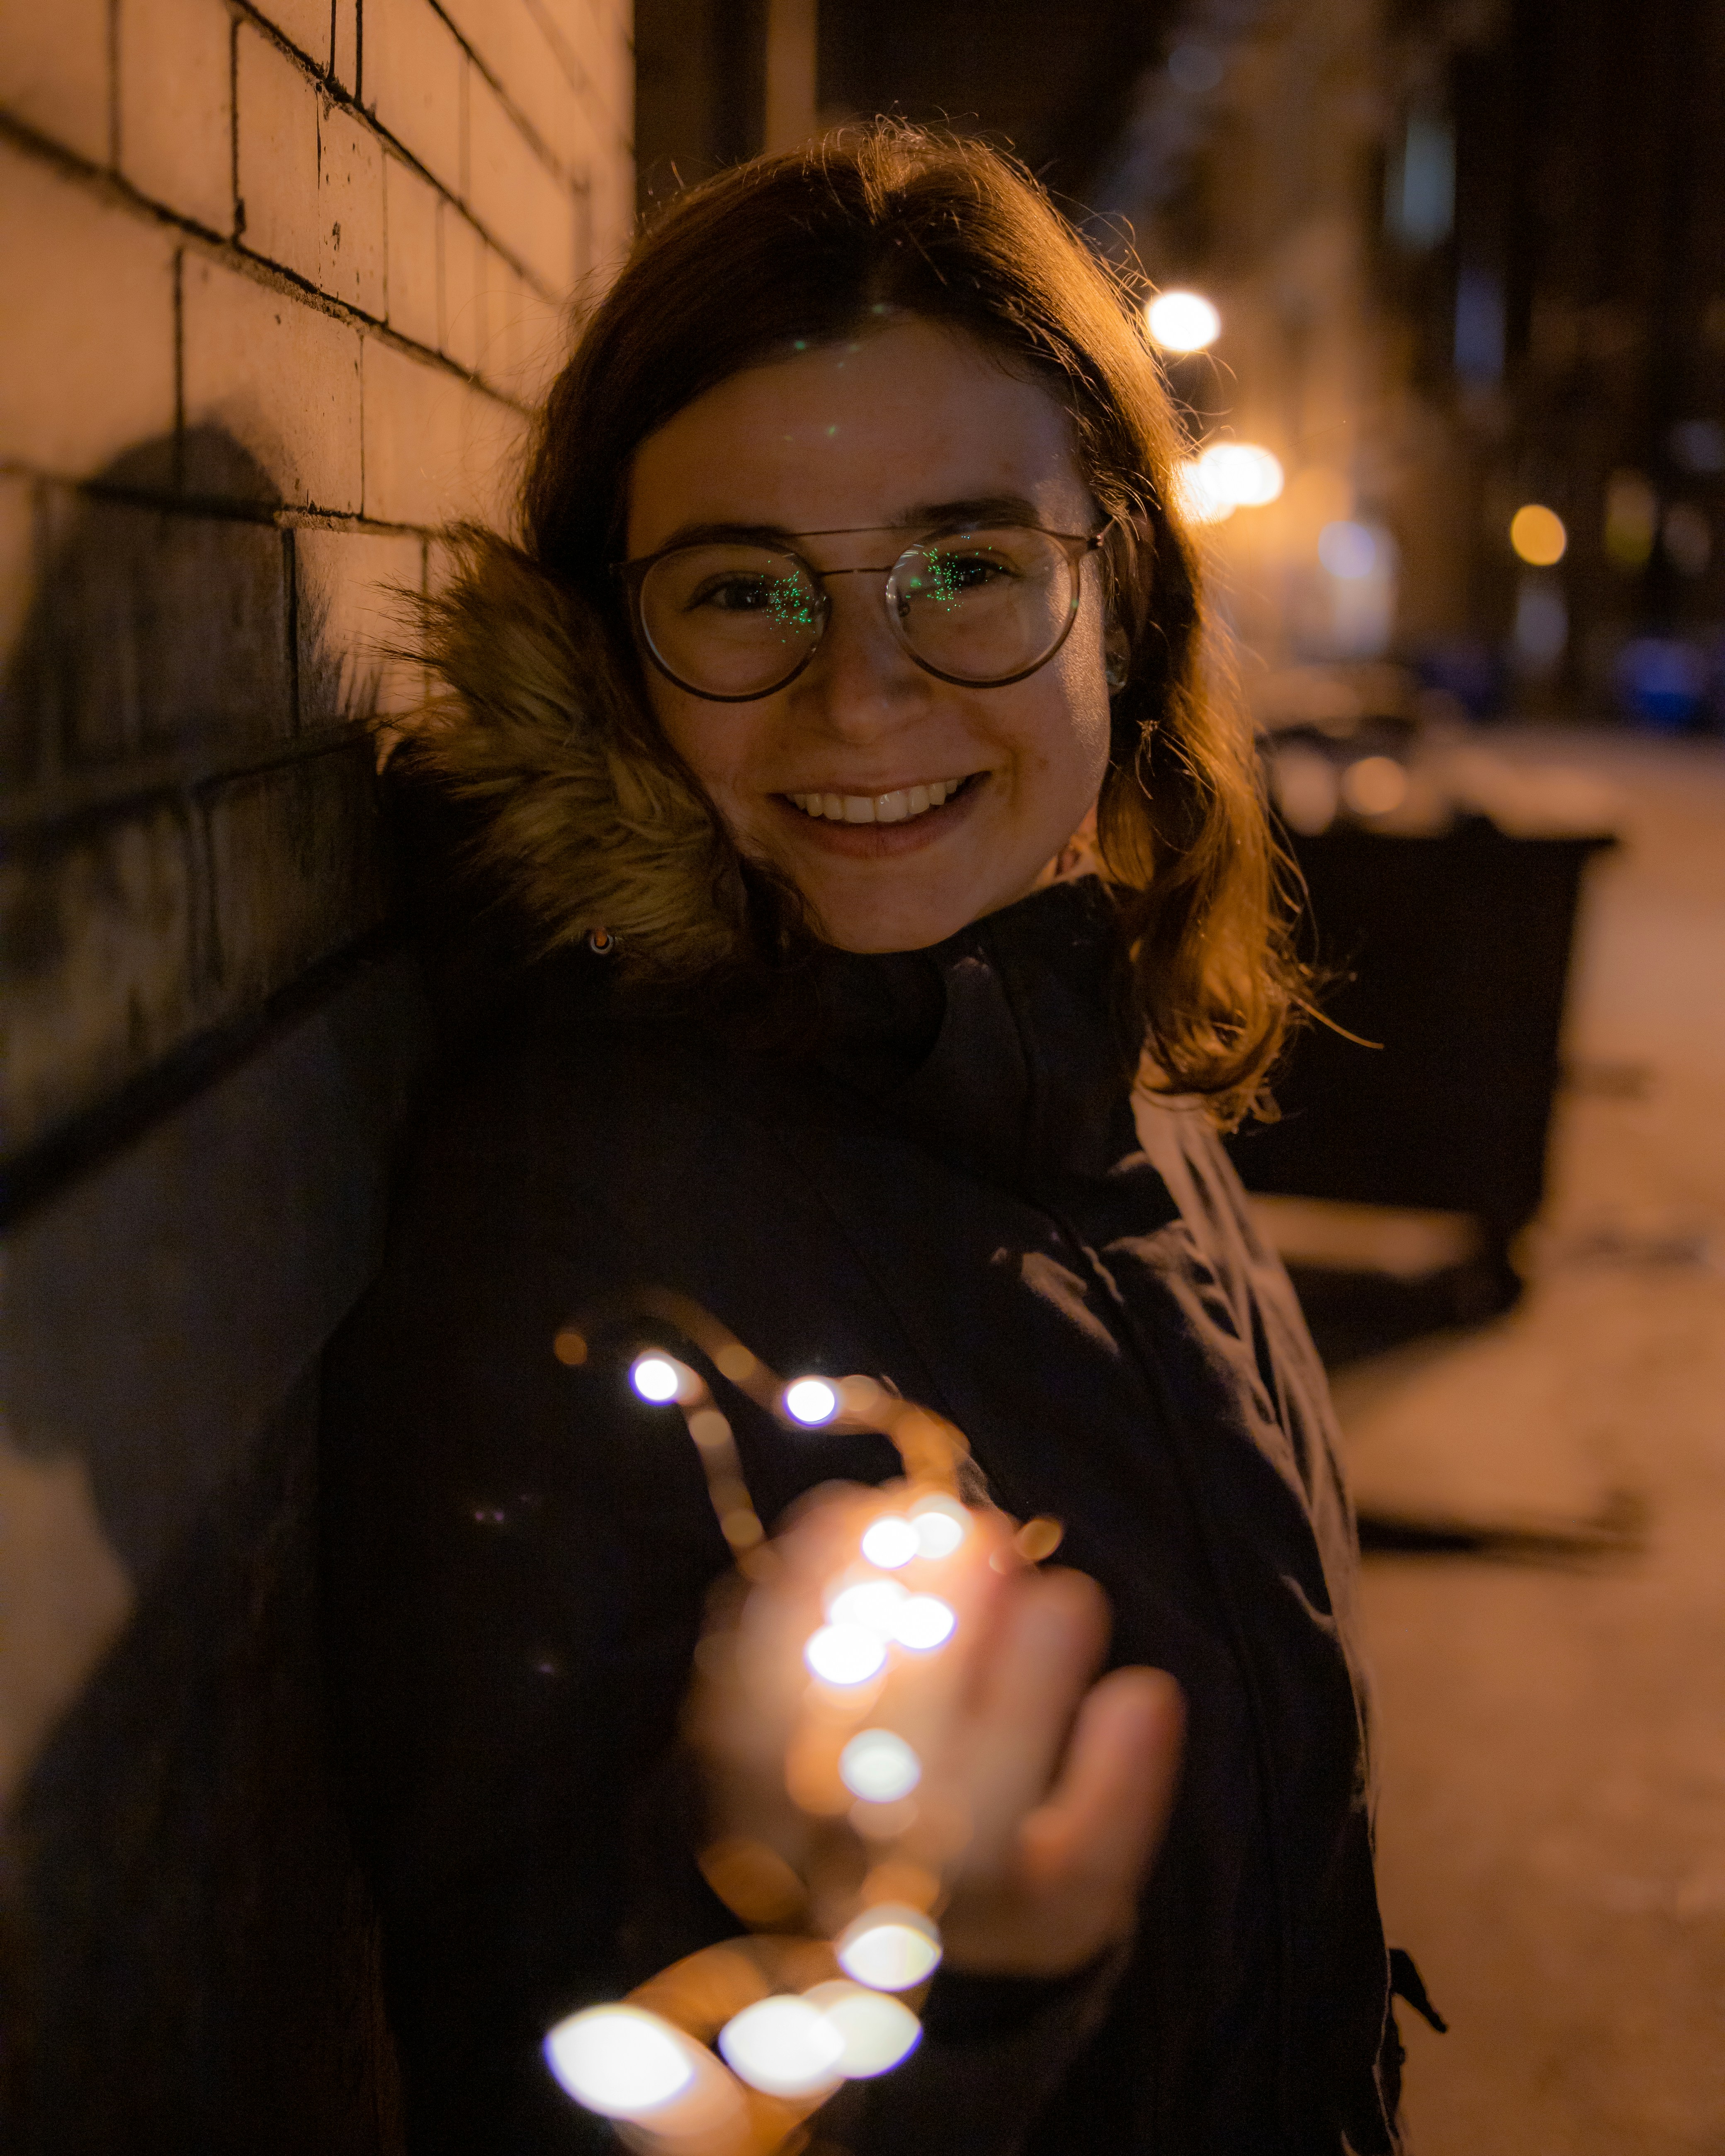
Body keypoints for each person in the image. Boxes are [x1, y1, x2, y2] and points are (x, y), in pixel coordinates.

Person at [321, 126, 1410, 2155]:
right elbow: (553, 2071)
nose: (864, 698)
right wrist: (917, 1988)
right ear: (610, 649)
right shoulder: (586, 1211)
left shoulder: (1102, 1080)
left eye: (965, 568)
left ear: (1128, 597)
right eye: (745, 591)